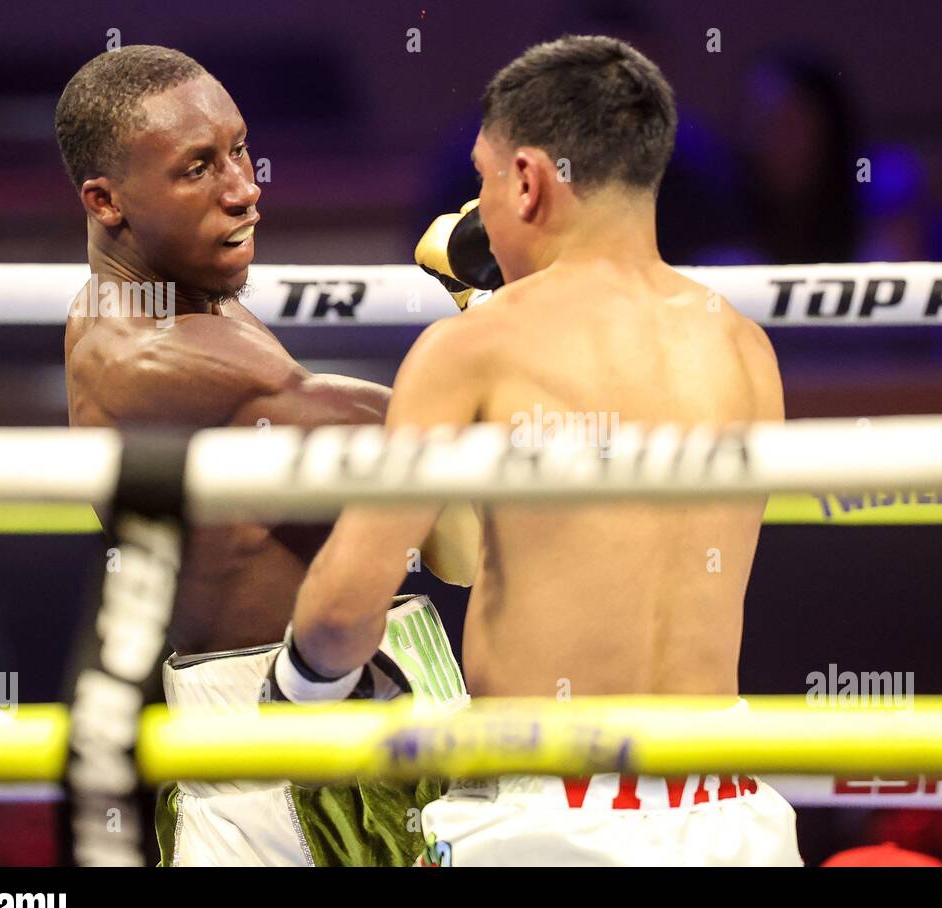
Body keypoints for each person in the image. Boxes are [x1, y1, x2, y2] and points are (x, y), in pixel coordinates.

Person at [289, 34, 800, 866]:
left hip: (548, 821)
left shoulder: (477, 349)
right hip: (729, 815)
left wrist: (296, 695)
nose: (477, 209)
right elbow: (576, 555)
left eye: (482, 181)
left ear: (526, 181)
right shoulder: (744, 347)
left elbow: (348, 607)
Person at [55, 44, 475, 866]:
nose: (246, 187)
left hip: (378, 694)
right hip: (285, 755)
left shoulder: (196, 293)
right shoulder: (143, 359)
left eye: (239, 148)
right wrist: (499, 317)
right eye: (198, 168)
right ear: (106, 201)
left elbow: (451, 531)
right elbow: (428, 439)